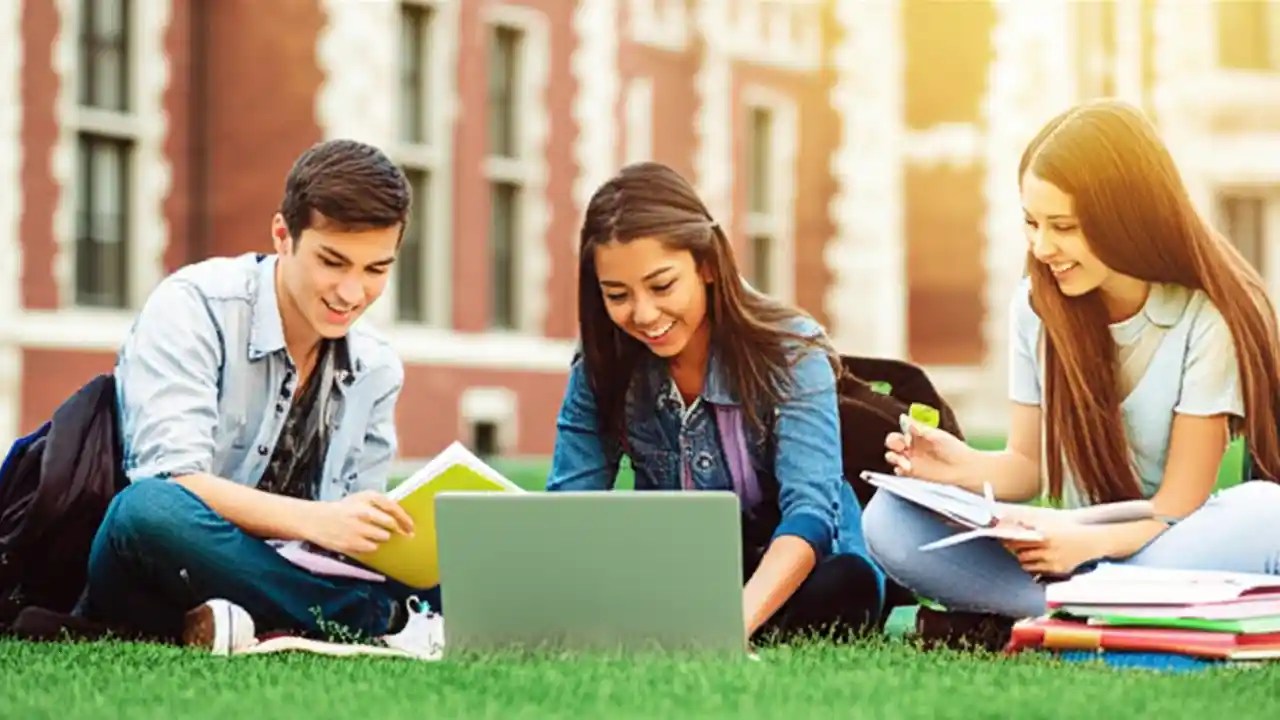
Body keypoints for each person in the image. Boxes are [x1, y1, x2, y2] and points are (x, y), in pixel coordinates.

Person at [862, 99, 1280, 651]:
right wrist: (957, 467)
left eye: (1063, 226)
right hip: (1075, 557)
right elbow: (1024, 468)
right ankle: (1096, 612)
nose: (1041, 247)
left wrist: (1080, 541)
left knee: (1266, 511)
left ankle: (1067, 611)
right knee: (890, 519)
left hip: (1175, 547)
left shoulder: (1206, 317)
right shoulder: (1036, 305)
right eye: (1032, 224)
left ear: (1126, 218)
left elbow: (1177, 504)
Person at [65, 139, 442, 656]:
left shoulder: (376, 366)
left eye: (376, 270)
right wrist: (319, 521)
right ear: (282, 236)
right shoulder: (194, 306)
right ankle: (378, 623)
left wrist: (382, 534)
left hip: (294, 573)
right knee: (147, 511)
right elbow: (173, 478)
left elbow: (349, 537)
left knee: (461, 557)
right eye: (333, 262)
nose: (352, 293)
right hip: (166, 562)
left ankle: (251, 624)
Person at [546, 161, 885, 644]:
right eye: (617, 295)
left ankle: (715, 621)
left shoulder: (791, 349)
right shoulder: (602, 366)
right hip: (682, 568)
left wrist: (729, 627)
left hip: (796, 561)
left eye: (662, 286)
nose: (643, 315)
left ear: (705, 265)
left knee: (843, 586)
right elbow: (568, 510)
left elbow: (810, 513)